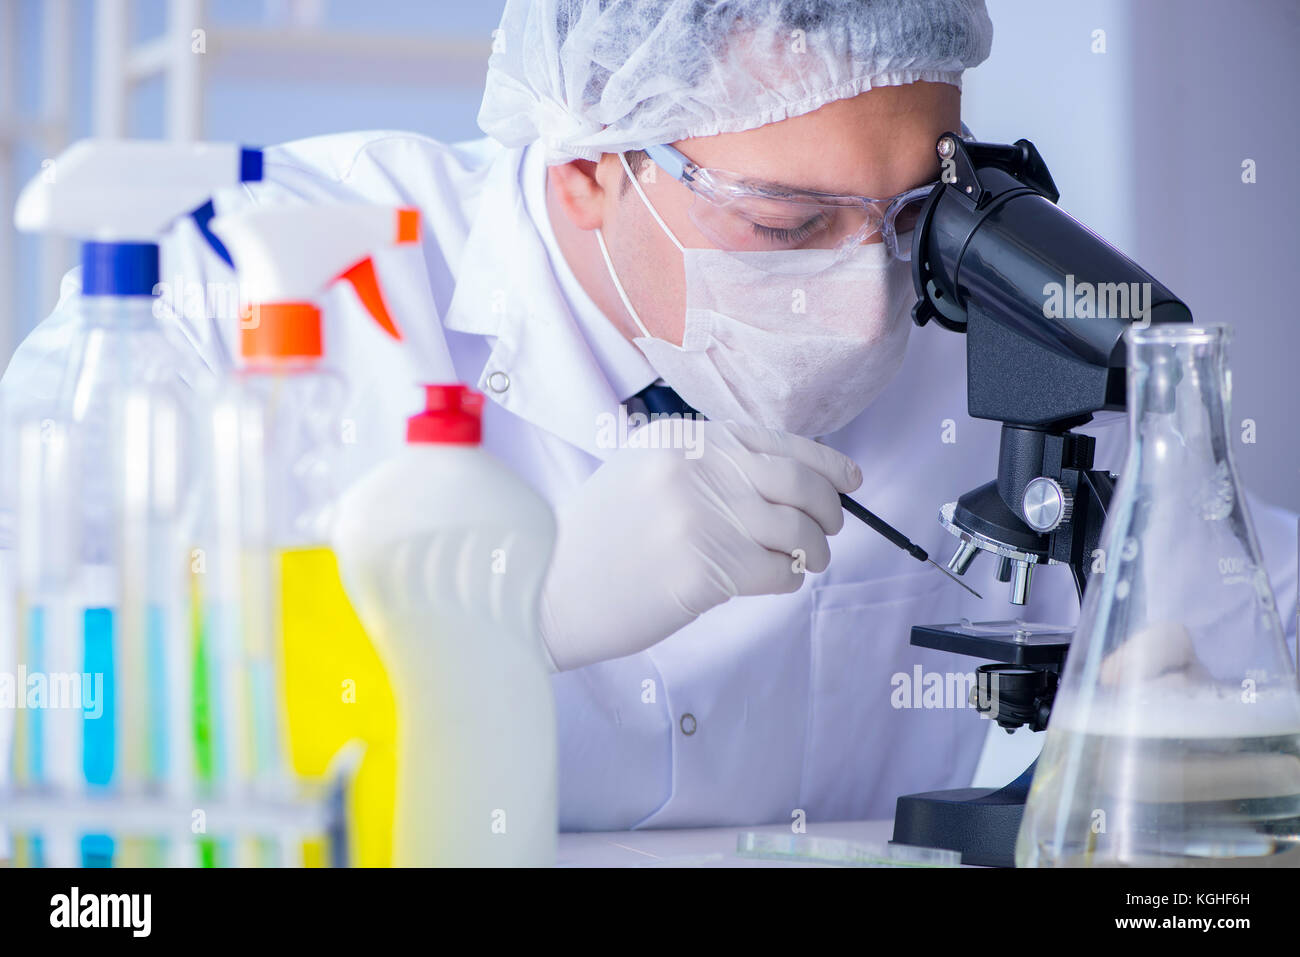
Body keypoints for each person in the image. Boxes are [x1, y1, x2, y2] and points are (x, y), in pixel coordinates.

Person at [3, 0, 1296, 833]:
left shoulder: (976, 339)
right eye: (787, 225)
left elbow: (1256, 589)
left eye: (913, 216)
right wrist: (495, 624)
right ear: (584, 174)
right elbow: (48, 683)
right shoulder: (265, 272)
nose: (866, 300)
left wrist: (1222, 696)